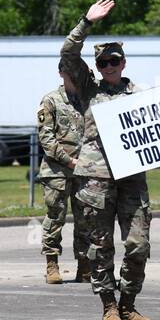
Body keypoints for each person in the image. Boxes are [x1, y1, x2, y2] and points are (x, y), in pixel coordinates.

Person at [60, 0, 155, 320]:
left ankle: (129, 303)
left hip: (131, 178)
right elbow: (68, 55)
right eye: (103, 62)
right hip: (96, 178)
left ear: (123, 62)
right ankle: (109, 306)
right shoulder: (88, 88)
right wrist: (86, 21)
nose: (109, 66)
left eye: (114, 60)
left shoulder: (141, 94)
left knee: (138, 244)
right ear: (97, 66)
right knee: (100, 247)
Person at [36, 65, 90, 285]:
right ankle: (52, 264)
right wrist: (69, 160)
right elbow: (46, 138)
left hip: (85, 170)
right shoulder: (51, 101)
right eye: (70, 71)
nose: (75, 76)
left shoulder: (89, 100)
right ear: (61, 73)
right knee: (55, 216)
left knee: (86, 218)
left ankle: (85, 265)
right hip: (57, 170)